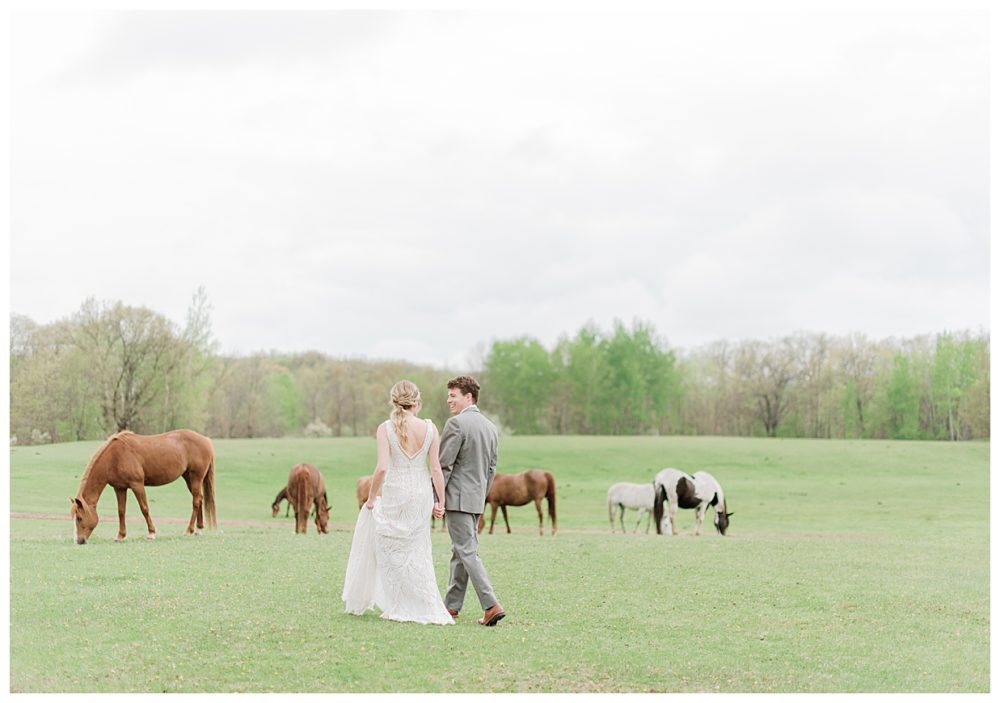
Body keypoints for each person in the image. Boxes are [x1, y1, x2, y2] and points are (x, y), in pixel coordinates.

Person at [341, 380, 454, 625]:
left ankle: (398, 603)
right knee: (418, 548)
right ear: (417, 402)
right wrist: (440, 502)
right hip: (422, 494)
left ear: (394, 401)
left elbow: (382, 468)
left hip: (395, 492)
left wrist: (371, 498)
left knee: (390, 547)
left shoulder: (385, 428)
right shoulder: (430, 428)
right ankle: (423, 603)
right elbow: (436, 469)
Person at [439, 375, 505, 626]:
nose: (449, 400)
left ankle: (491, 605)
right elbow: (491, 469)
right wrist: (480, 495)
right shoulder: (490, 427)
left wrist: (436, 498)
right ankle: (451, 606)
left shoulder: (456, 424)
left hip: (457, 499)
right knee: (461, 552)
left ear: (468, 397)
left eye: (453, 395)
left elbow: (445, 465)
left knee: (466, 551)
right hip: (476, 499)